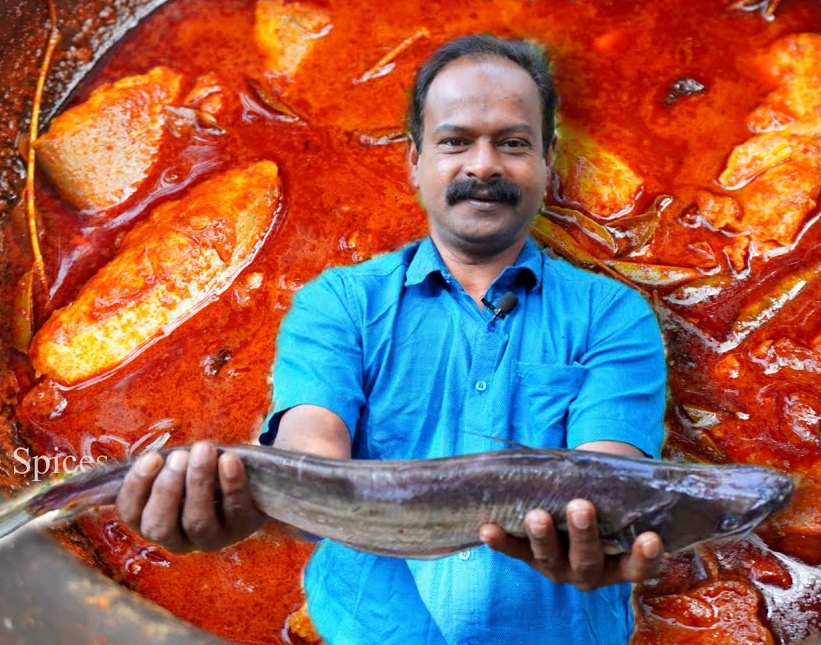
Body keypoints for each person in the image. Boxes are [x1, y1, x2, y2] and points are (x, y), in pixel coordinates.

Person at [114, 34, 670, 644]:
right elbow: (311, 457)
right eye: (455, 141)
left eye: (512, 143)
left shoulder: (614, 314)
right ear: (415, 159)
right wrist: (235, 510)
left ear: (547, 159)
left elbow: (612, 479)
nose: (483, 165)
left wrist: (604, 529)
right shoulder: (341, 303)